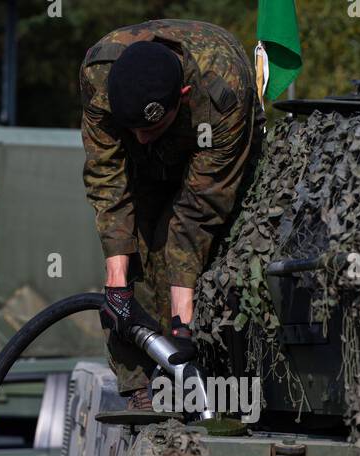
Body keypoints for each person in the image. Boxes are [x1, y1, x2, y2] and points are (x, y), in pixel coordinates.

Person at [81, 19, 264, 410]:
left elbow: (198, 213)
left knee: (209, 257)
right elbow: (107, 180)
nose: (142, 138)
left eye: (151, 128)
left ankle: (213, 380)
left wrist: (182, 325)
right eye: (134, 129)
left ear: (181, 95)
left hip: (208, 146)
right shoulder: (100, 77)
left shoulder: (224, 90)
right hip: (141, 167)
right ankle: (143, 388)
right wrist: (117, 288)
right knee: (134, 256)